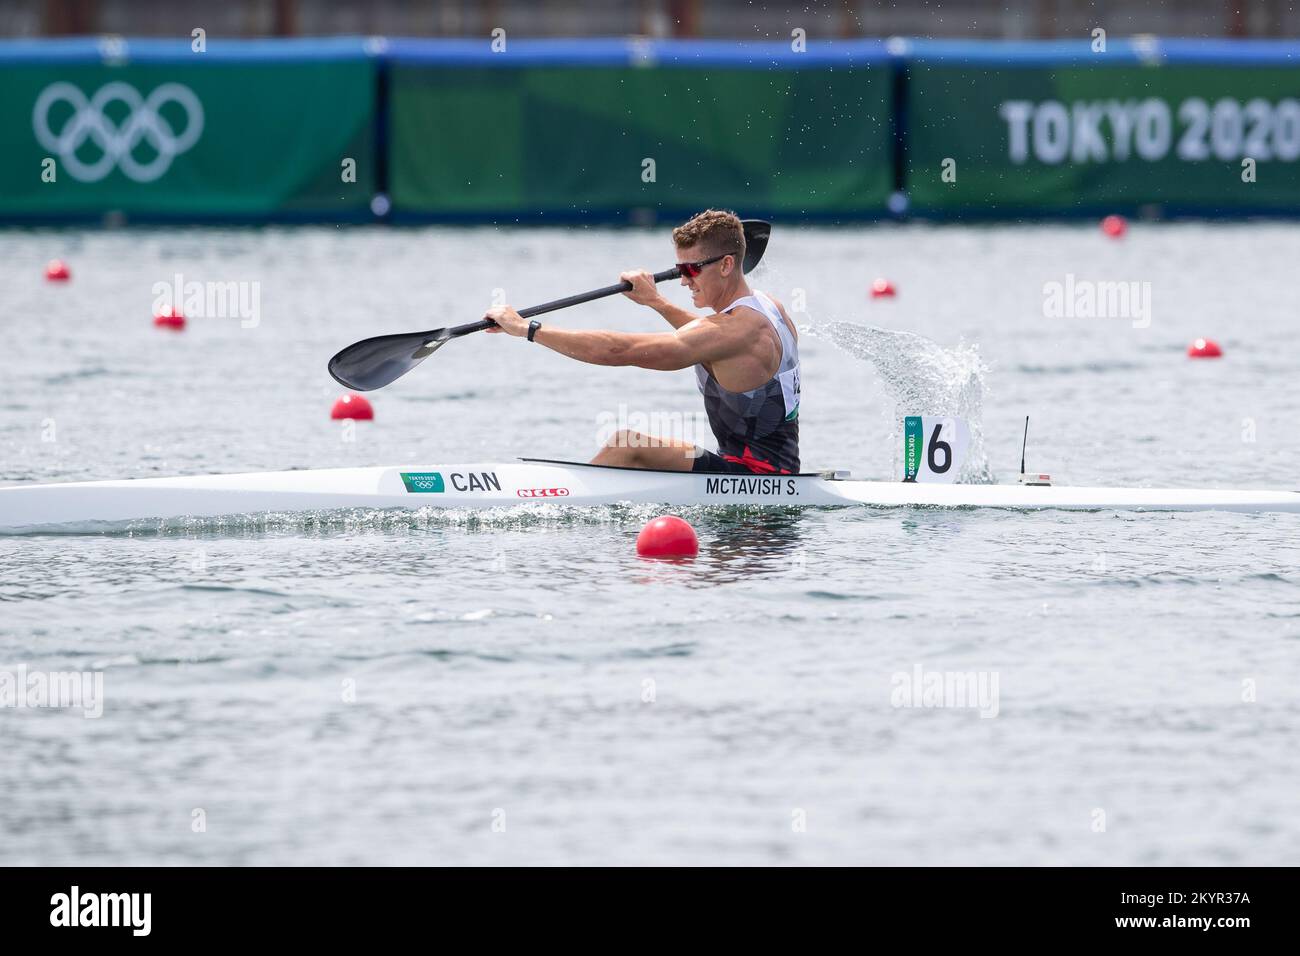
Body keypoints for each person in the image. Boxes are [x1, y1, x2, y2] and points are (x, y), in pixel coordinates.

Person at [484, 209, 800, 474]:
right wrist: (655, 302)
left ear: (727, 265)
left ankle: (555, 499)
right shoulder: (768, 308)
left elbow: (622, 351)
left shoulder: (734, 330)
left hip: (755, 479)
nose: (683, 280)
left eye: (691, 269)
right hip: (769, 474)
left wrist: (527, 329)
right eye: (680, 269)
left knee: (627, 446)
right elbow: (710, 337)